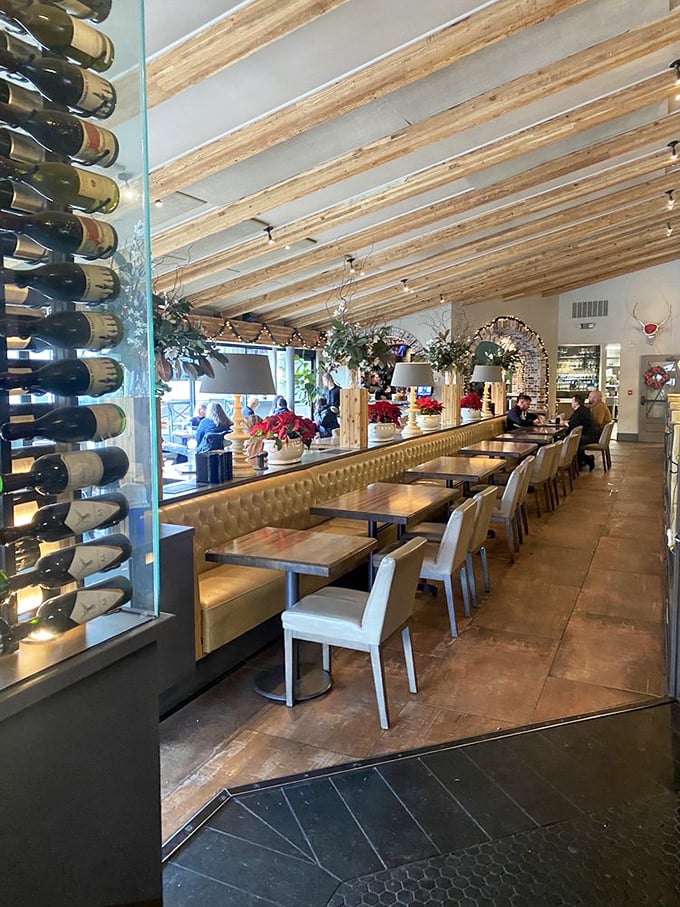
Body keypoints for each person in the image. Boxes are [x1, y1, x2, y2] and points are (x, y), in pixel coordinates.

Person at [560, 393, 599, 471]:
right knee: (573, 440)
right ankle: (580, 462)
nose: (571, 403)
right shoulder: (582, 410)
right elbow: (571, 421)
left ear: (576, 403)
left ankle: (585, 460)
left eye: (572, 401)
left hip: (589, 436)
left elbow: (572, 424)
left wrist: (561, 420)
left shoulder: (580, 412)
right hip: (591, 434)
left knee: (572, 442)